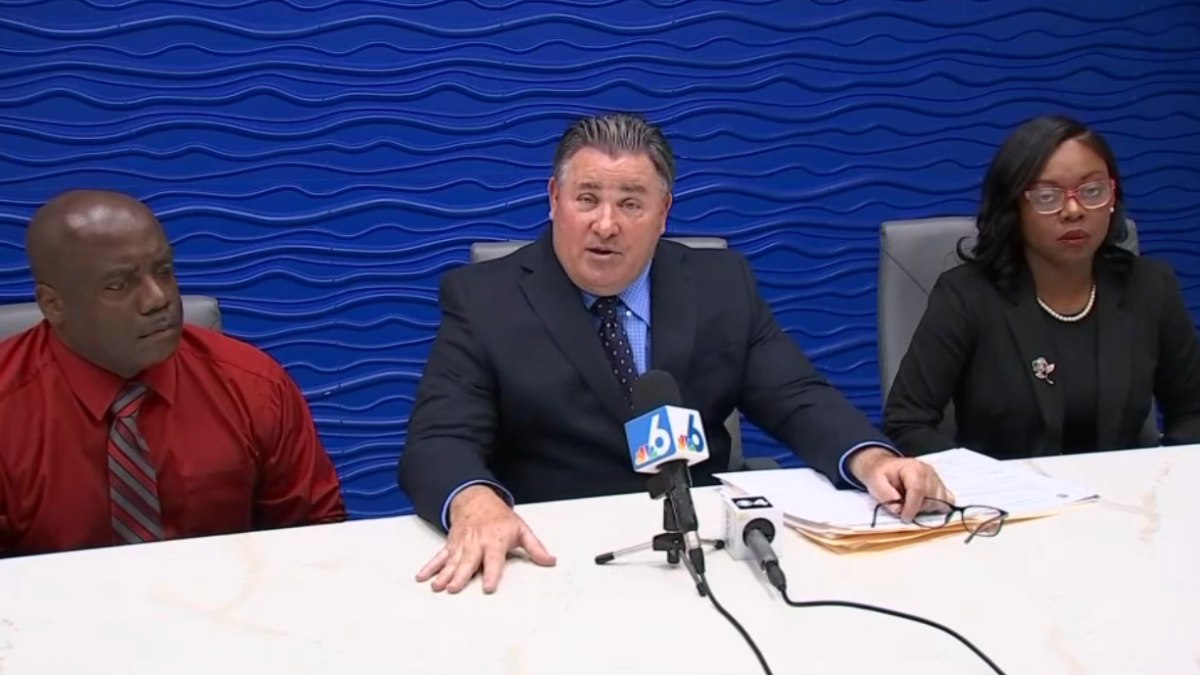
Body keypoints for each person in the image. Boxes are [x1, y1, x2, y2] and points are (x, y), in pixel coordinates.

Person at [399, 112, 952, 594]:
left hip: (699, 548)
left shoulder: (719, 284)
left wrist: (872, 459)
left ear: (663, 212)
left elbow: (796, 396)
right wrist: (475, 500)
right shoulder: (485, 299)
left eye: (630, 203)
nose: (605, 224)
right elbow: (438, 439)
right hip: (554, 553)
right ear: (554, 200)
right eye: (587, 199)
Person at [0, 190, 347, 557]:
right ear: (53, 304)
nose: (157, 298)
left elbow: (315, 534)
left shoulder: (253, 384)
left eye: (163, 271)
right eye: (118, 285)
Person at [882, 115, 1200, 459]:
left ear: (1112, 198)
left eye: (1092, 191)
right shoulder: (967, 295)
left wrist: (1168, 475)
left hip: (1127, 490)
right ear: (1013, 206)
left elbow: (1193, 411)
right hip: (1002, 490)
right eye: (1048, 197)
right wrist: (973, 482)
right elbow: (907, 422)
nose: (1074, 210)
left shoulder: (1150, 286)